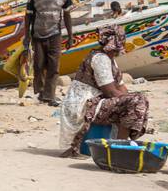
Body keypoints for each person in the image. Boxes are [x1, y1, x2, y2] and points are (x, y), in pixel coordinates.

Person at [57, 26, 149, 157]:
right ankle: (119, 148)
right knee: (135, 101)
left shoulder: (111, 61)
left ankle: (120, 145)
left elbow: (122, 88)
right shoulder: (100, 59)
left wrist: (133, 101)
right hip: (83, 105)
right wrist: (131, 102)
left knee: (137, 100)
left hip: (95, 101)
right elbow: (110, 92)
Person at [25, 0, 75, 105]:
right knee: (39, 65)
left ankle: (50, 96)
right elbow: (28, 16)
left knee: (54, 66)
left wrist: (70, 36)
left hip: (55, 34)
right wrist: (26, 36)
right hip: (37, 34)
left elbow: (67, 15)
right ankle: (41, 92)